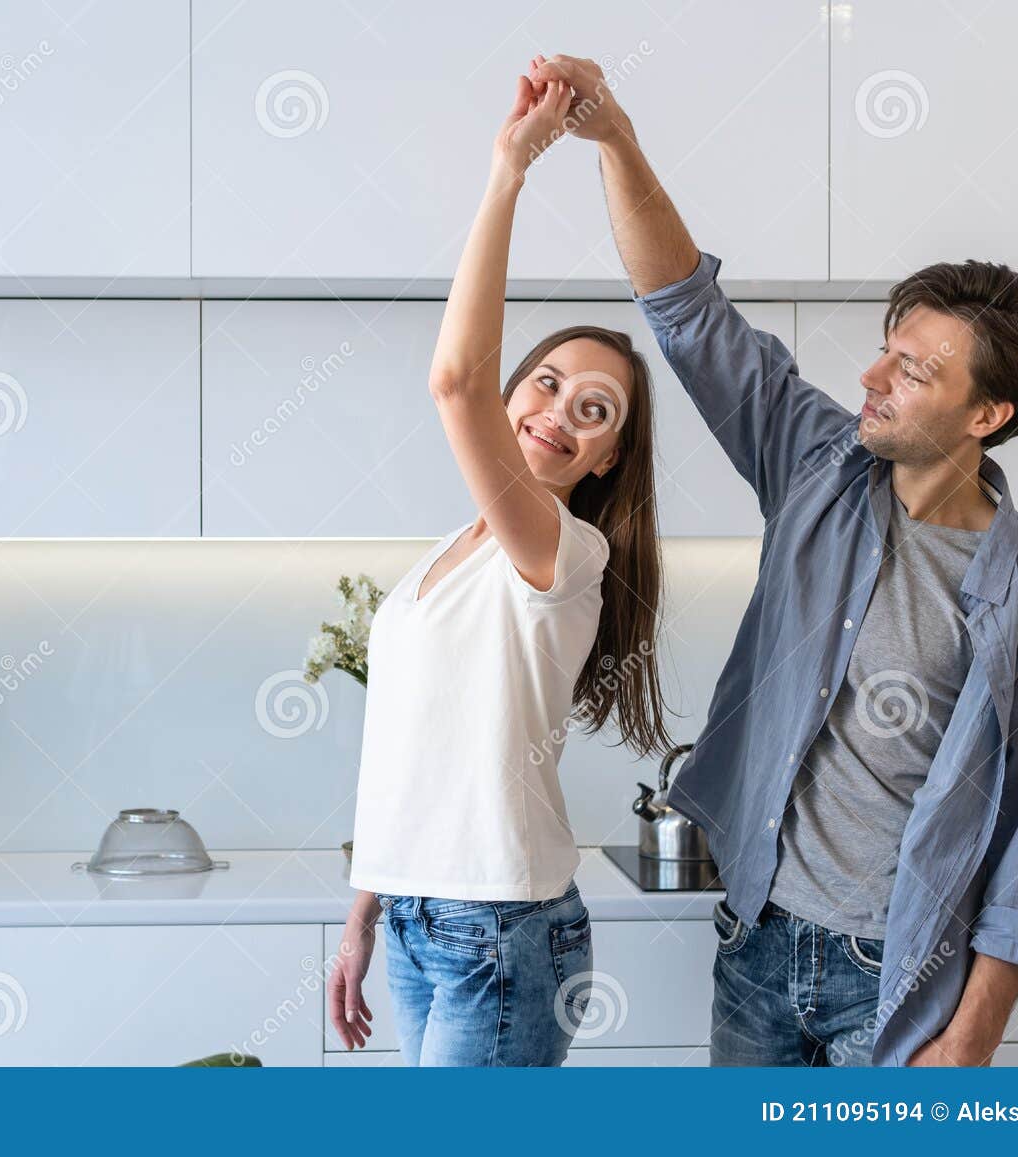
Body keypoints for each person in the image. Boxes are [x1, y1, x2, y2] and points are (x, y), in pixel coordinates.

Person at [530, 52, 1018, 1066]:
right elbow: (687, 312)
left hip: (897, 983)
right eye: (887, 345)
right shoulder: (815, 466)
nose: (872, 376)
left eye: (913, 370)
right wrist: (615, 139)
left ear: (986, 413)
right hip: (754, 943)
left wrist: (969, 1037)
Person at [328, 72, 673, 1066]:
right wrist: (362, 913)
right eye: (547, 383)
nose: (558, 413)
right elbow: (403, 747)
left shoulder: (563, 549)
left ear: (606, 458)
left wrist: (508, 172)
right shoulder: (450, 551)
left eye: (594, 409)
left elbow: (452, 380)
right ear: (518, 389)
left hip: (504, 930)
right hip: (416, 918)